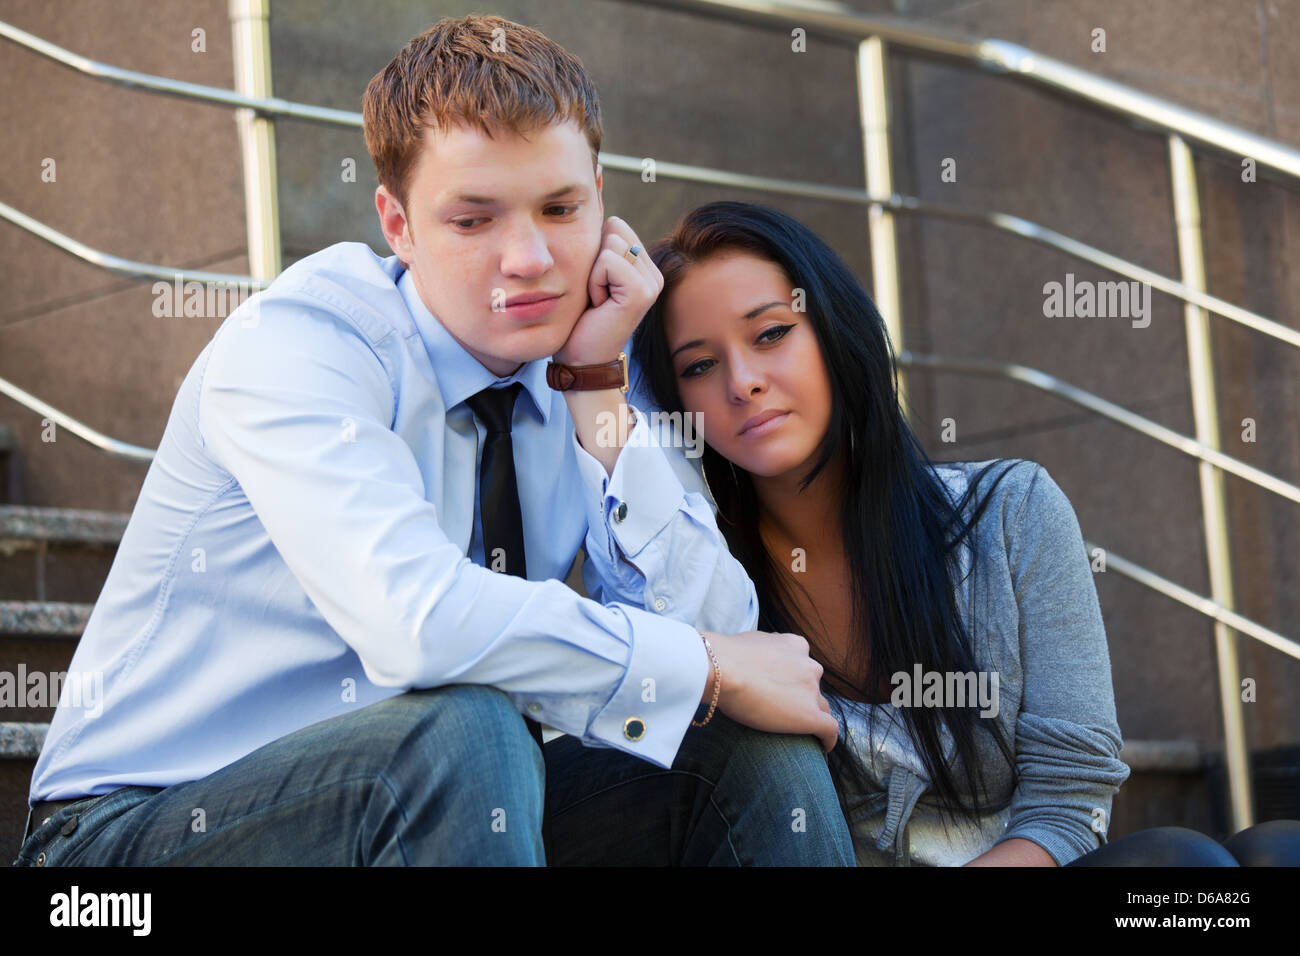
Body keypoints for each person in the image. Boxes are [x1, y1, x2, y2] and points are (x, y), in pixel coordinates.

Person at [12, 18, 853, 868]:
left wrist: (597, 394)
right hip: (121, 845)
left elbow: (723, 637)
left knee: (744, 752)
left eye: (561, 208)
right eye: (473, 220)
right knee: (466, 728)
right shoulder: (306, 342)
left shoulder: (593, 357)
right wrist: (704, 666)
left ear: (602, 196)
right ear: (398, 224)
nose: (529, 259)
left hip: (444, 806)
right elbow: (418, 624)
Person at [631, 199, 1300, 867]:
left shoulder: (1011, 512)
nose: (743, 383)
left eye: (771, 333)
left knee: (1258, 857)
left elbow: (1071, 800)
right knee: (1189, 863)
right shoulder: (702, 586)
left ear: (836, 332)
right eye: (698, 366)